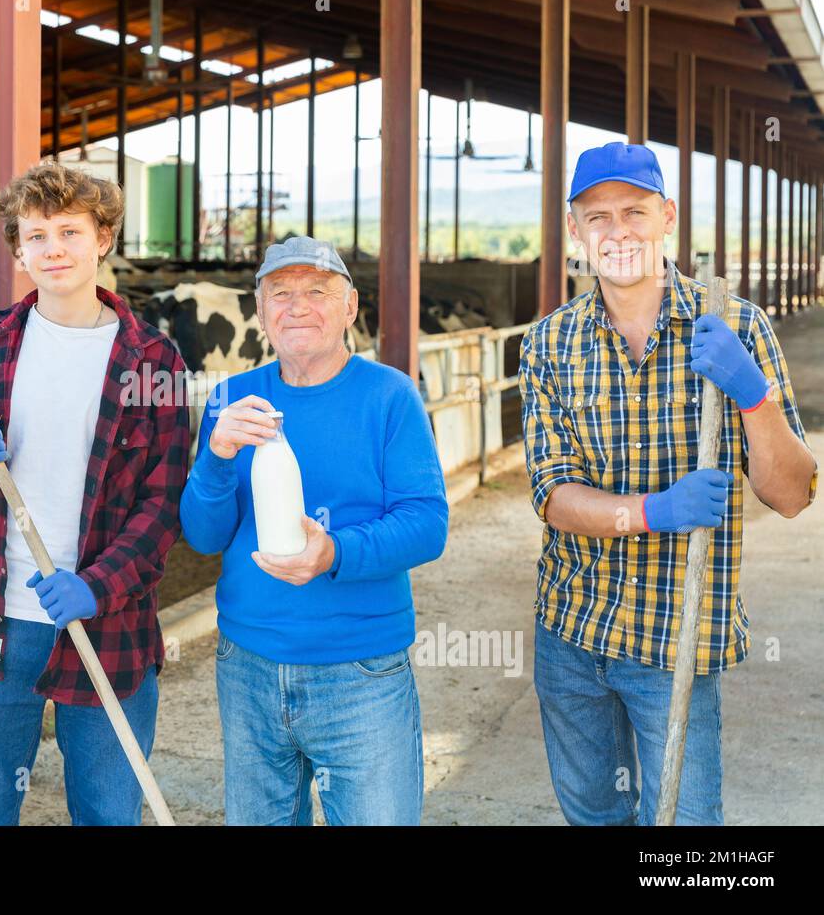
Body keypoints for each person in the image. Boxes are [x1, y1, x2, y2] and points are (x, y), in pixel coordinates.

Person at [519, 141, 818, 825]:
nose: (617, 231)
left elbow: (793, 494)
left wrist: (752, 397)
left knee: (686, 830)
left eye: (635, 211)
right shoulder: (549, 344)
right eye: (598, 217)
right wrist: (654, 511)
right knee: (596, 818)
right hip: (572, 632)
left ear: (667, 216)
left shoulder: (739, 326)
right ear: (575, 229)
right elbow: (552, 495)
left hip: (674, 636)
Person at [0, 161, 190, 825]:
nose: (53, 249)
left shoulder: (153, 362)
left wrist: (98, 583)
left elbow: (162, 505)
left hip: (109, 622)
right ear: (18, 249)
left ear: (103, 239)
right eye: (35, 235)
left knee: (107, 811)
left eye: (69, 231)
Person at [179, 236, 449, 825]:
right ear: (260, 310)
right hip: (247, 662)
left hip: (361, 672)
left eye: (317, 291)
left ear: (349, 307)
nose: (297, 306)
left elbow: (427, 525)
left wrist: (335, 553)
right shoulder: (233, 401)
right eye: (281, 293)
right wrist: (217, 456)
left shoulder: (390, 396)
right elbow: (203, 536)